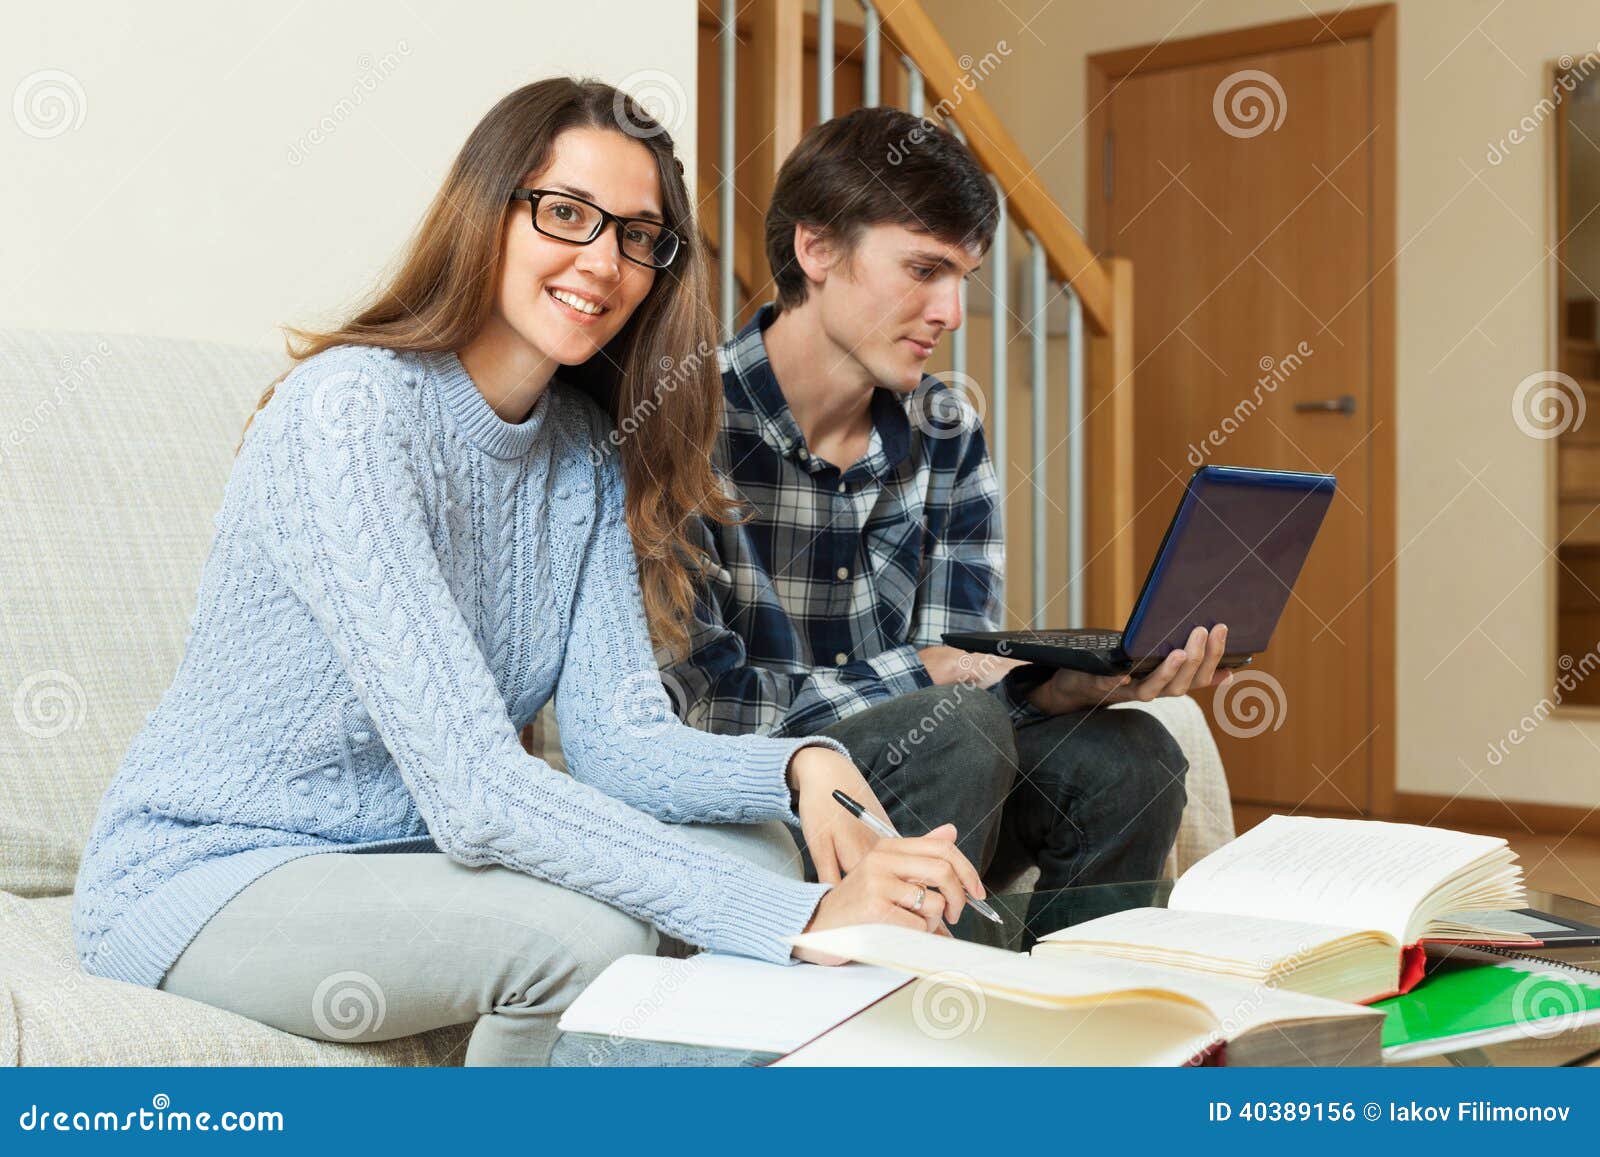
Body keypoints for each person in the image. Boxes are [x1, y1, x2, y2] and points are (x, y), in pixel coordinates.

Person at [71, 79, 985, 1067]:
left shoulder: (585, 451)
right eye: (565, 214)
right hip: (215, 869)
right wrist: (798, 916)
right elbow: (473, 788)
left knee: (753, 841)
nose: (603, 262)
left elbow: (619, 741)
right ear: (487, 211)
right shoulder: (348, 415)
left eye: (638, 236)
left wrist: (798, 763)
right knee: (583, 937)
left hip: (410, 860)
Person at [665, 108, 1231, 934]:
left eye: (964, 276)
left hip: (937, 767)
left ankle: (1088, 1028)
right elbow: (703, 713)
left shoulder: (945, 428)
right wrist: (926, 674)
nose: (952, 311)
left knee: (1133, 756)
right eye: (925, 269)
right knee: (962, 728)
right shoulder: (681, 424)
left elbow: (961, 670)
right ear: (815, 249)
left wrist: (1060, 686)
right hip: (770, 792)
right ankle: (935, 1015)